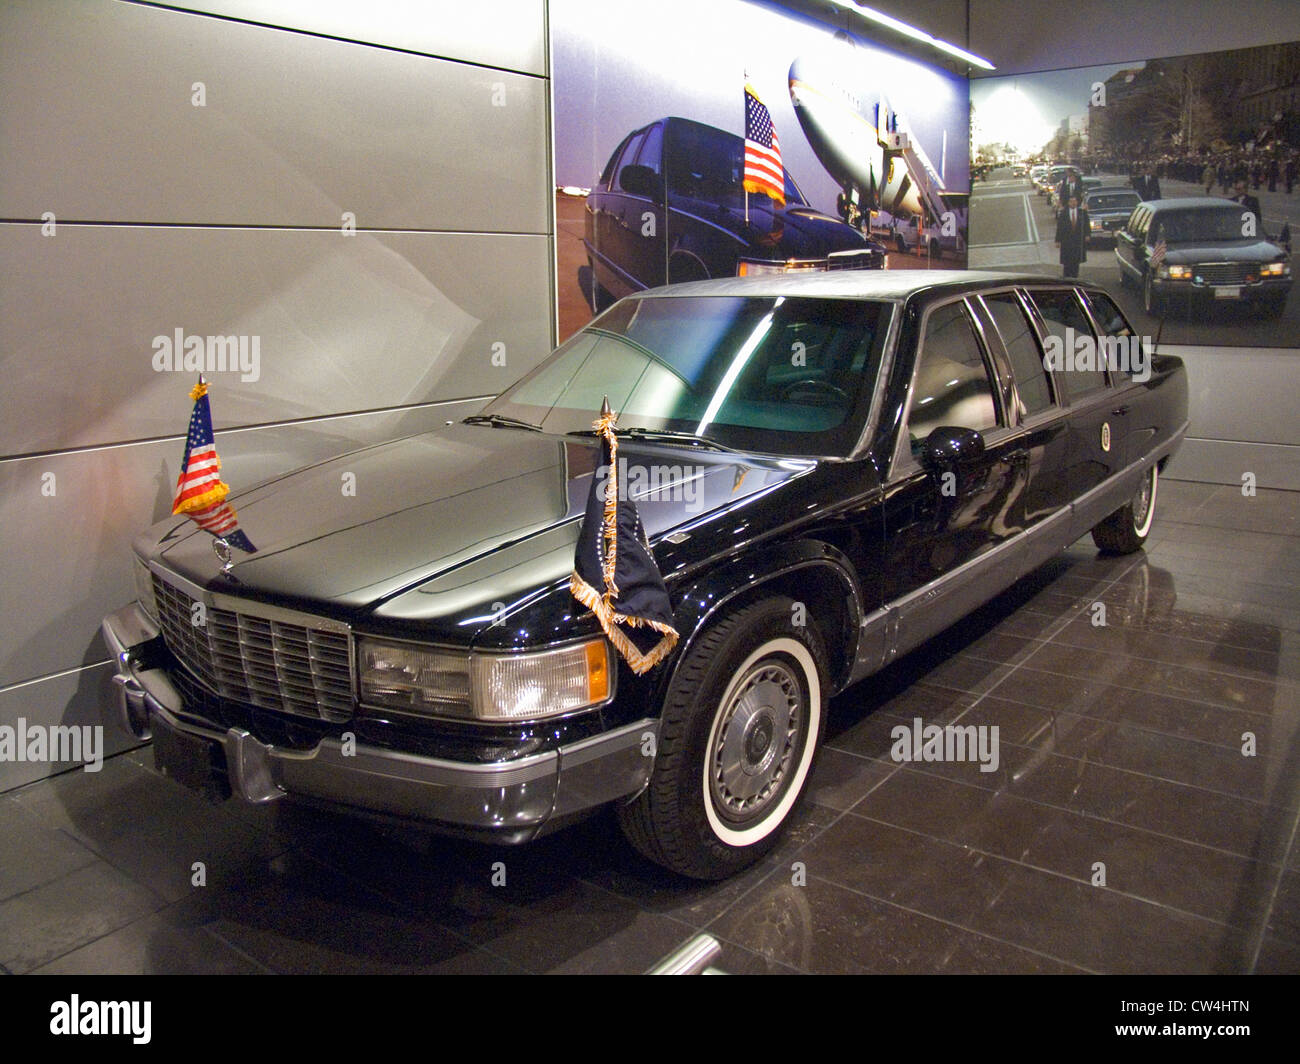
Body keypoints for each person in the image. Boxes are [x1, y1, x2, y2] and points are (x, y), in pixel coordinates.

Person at [1055, 193, 1089, 279]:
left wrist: (1087, 235)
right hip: (1066, 241)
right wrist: (1057, 240)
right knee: (1067, 263)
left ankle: (1075, 278)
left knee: (1076, 262)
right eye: (1071, 201)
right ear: (1068, 203)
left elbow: (1087, 225)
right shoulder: (1063, 213)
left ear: (1077, 202)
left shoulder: (1082, 212)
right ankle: (1066, 278)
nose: (1073, 203)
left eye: (1074, 201)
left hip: (1077, 241)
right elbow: (1059, 227)